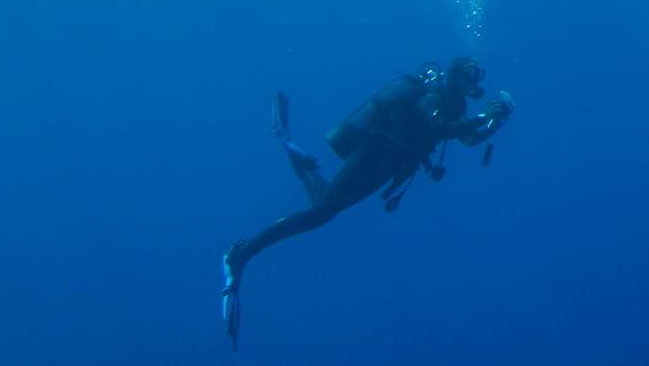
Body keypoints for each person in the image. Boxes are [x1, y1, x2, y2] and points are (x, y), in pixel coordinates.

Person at [220, 57, 513, 346]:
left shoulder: (457, 105)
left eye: (479, 74)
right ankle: (242, 254)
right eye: (471, 74)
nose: (476, 81)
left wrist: (495, 121)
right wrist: (481, 117)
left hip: (387, 168)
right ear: (455, 75)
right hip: (374, 153)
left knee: (324, 208)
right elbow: (435, 128)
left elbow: (469, 139)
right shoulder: (436, 96)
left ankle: (295, 154)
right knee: (321, 212)